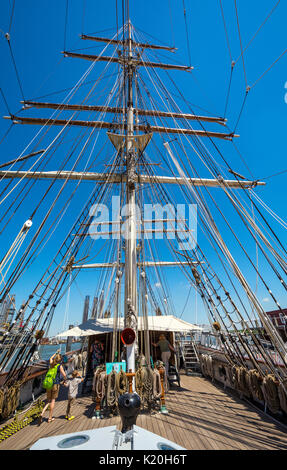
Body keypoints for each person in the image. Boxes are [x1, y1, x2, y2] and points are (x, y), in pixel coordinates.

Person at [39, 351, 67, 424]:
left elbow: (51, 358)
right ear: (60, 360)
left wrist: (55, 353)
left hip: (49, 384)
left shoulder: (51, 363)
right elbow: (64, 375)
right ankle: (50, 418)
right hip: (55, 384)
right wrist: (64, 380)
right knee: (52, 401)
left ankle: (42, 413)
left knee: (48, 401)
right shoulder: (59, 366)